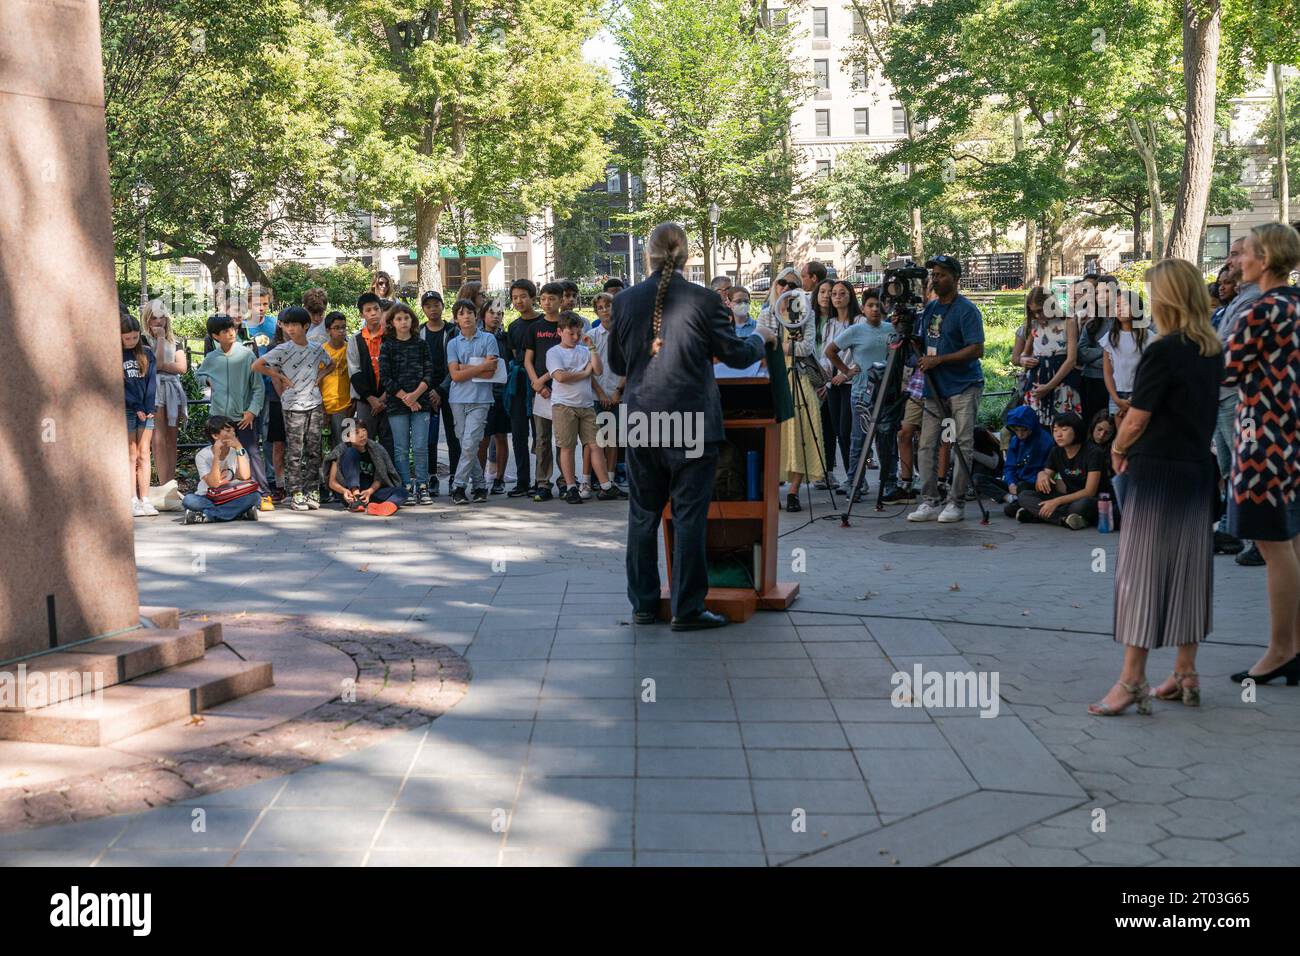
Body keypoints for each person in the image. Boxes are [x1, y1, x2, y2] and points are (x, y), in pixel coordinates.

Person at [608, 221, 775, 631]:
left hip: (641, 419)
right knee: (688, 517)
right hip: (693, 420)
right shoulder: (704, 300)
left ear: (648, 255)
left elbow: (615, 364)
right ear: (686, 256)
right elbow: (736, 355)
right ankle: (687, 608)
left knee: (643, 516)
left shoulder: (625, 301)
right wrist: (763, 338)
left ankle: (644, 605)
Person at [1093, 258, 1223, 716]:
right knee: (1189, 571)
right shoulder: (1211, 348)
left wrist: (1118, 448)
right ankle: (1186, 672)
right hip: (1196, 471)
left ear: (1167, 298)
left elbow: (1139, 415)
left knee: (1141, 575)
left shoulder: (1164, 350)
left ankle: (1132, 680)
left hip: (1156, 471)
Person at [1222, 222, 1300, 686]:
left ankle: (1280, 650)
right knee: (1290, 541)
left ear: (1266, 259)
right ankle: (1293, 647)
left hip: (1265, 440)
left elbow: (1223, 371)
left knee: (1274, 544)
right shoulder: (1294, 305)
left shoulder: (1263, 309)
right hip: (1291, 434)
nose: (1238, 260)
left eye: (1245, 253)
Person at [907, 255, 985, 524]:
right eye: (933, 275)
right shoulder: (930, 309)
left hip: (963, 387)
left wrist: (939, 360)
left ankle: (956, 501)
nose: (935, 279)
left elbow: (977, 349)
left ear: (955, 278)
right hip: (934, 388)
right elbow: (924, 339)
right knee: (926, 443)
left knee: (961, 444)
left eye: (940, 275)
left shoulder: (967, 310)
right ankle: (929, 500)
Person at [252, 304, 333, 511]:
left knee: (314, 449)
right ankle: (296, 492)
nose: (290, 329)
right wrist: (279, 376)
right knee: (295, 451)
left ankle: (313, 490)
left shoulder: (316, 348)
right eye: (286, 324)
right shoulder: (281, 349)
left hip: (314, 403)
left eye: (294, 324)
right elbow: (257, 365)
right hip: (292, 405)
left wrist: (320, 377)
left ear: (305, 326)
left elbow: (330, 364)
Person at [1213, 237, 1263, 563]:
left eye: (1235, 254)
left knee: (1244, 467)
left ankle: (1257, 536)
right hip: (1223, 394)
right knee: (1229, 466)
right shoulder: (1239, 299)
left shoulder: (1255, 300)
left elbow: (1229, 346)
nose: (1228, 262)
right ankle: (1233, 528)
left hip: (1239, 395)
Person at [761, 267, 824, 511]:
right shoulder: (767, 314)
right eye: (782, 283)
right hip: (776, 378)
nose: (786, 288)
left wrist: (779, 344)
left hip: (801, 377)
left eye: (793, 285)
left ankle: (795, 491)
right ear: (775, 286)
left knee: (801, 431)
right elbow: (762, 345)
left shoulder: (806, 315)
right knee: (776, 435)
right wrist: (786, 345)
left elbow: (807, 347)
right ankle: (773, 490)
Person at [826, 286, 897, 502]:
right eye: (870, 305)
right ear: (863, 309)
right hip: (861, 394)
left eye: (878, 305)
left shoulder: (890, 330)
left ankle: (890, 483)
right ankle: (854, 483)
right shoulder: (856, 330)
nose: (875, 309)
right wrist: (846, 371)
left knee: (887, 440)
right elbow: (830, 350)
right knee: (859, 441)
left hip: (887, 393)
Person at [195, 313, 271, 507]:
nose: (231, 333)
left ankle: (263, 493)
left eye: (233, 329)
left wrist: (252, 411)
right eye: (225, 330)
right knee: (220, 455)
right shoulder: (211, 358)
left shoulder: (247, 355)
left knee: (251, 453)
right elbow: (198, 375)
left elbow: (258, 387)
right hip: (219, 419)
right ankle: (223, 493)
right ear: (215, 336)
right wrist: (206, 380)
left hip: (243, 417)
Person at [549, 311, 620, 503]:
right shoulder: (554, 352)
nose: (575, 337)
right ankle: (571, 486)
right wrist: (583, 373)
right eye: (570, 333)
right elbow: (561, 377)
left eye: (578, 334)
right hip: (564, 406)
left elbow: (597, 370)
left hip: (586, 405)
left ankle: (606, 485)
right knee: (567, 447)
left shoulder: (583, 350)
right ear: (559, 332)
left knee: (596, 445)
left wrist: (592, 349)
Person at [446, 297, 501, 504]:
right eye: (461, 314)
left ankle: (458, 486)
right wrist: (479, 367)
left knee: (470, 444)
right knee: (466, 444)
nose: (466, 316)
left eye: (469, 312)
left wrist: (464, 367)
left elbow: (490, 373)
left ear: (475, 315)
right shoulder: (452, 343)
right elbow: (455, 376)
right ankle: (479, 485)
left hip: (481, 399)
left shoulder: (488, 339)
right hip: (457, 399)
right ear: (456, 319)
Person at [379, 301, 434, 504]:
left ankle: (422, 485)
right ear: (392, 322)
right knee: (401, 447)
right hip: (397, 405)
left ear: (412, 321)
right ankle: (405, 487)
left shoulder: (421, 344)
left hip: (421, 403)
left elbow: (429, 373)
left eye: (406, 318)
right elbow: (385, 378)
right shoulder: (388, 346)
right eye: (399, 318)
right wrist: (405, 397)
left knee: (420, 446)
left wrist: (415, 396)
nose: (403, 322)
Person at [1011, 412, 1102, 529]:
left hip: (1088, 499)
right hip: (1067, 498)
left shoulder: (1093, 452)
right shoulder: (1056, 451)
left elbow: (1090, 491)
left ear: (1077, 430)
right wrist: (1041, 475)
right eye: (1055, 430)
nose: (1058, 435)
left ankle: (1037, 514)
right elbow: (1045, 478)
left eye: (1064, 430)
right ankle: (1063, 519)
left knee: (1082, 506)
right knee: (1024, 495)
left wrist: (1056, 502)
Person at [141, 297, 187, 486]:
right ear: (147, 319)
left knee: (171, 438)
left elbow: (182, 367)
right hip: (154, 390)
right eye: (153, 318)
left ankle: (171, 484)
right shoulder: (143, 340)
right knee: (158, 439)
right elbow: (156, 364)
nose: (158, 322)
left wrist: (163, 367)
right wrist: (159, 340)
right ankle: (162, 484)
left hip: (173, 390)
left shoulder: (176, 341)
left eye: (161, 317)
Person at [1019, 286, 1081, 426]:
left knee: (1063, 425)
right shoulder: (1034, 324)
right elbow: (1024, 353)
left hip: (1061, 379)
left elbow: (1071, 360)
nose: (1036, 315)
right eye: (1033, 312)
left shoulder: (1068, 322)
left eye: (1040, 310)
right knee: (1035, 425)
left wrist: (1049, 386)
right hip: (1037, 379)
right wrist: (1024, 360)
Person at [524, 282, 564, 500]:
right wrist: (536, 384)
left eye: (552, 299)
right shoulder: (535, 328)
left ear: (561, 300)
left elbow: (568, 357)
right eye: (544, 299)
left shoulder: (566, 325)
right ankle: (543, 482)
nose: (547, 303)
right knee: (541, 439)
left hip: (562, 389)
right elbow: (528, 360)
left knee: (563, 439)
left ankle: (566, 481)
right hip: (540, 392)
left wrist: (544, 380)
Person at [585, 292, 627, 498]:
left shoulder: (623, 333)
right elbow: (587, 369)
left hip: (617, 393)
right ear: (596, 312)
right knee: (595, 440)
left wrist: (618, 391)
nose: (604, 310)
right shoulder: (591, 336)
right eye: (600, 308)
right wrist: (600, 393)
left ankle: (610, 481)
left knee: (613, 439)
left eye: (608, 306)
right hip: (595, 395)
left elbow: (628, 366)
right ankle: (592, 481)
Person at [182, 416, 262, 523]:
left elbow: (245, 476)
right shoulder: (202, 455)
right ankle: (238, 513)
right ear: (215, 435)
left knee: (255, 497)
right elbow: (214, 484)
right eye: (228, 430)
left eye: (233, 430)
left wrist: (239, 447)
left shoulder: (239, 451)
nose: (233, 433)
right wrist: (216, 456)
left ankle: (207, 516)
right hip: (207, 497)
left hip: (232, 496)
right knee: (189, 500)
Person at [322, 419, 407, 516]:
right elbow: (332, 482)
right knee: (351, 452)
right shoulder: (340, 451)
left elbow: (380, 476)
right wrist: (344, 491)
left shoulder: (376, 449)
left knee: (401, 491)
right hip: (350, 496)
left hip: (369, 492)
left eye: (364, 430)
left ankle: (386, 507)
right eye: (356, 433)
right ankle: (357, 499)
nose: (362, 435)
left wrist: (370, 491)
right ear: (347, 437)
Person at [417, 290, 456, 497]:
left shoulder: (452, 331)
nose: (433, 309)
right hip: (426, 392)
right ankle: (431, 476)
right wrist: (429, 389)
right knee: (429, 437)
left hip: (449, 389)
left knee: (453, 435)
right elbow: (419, 363)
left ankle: (454, 477)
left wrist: (441, 389)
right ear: (423, 309)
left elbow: (456, 362)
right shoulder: (420, 332)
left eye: (436, 304)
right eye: (428, 305)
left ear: (442, 306)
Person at [505, 279, 541, 496]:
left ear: (533, 298)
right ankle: (522, 481)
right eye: (515, 297)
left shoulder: (544, 323)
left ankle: (541, 480)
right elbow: (511, 356)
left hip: (540, 386)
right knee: (518, 434)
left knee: (540, 436)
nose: (519, 301)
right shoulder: (514, 326)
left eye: (523, 296)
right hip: (518, 386)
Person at [347, 291, 394, 457]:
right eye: (368, 310)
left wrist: (383, 398)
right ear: (362, 314)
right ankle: (367, 476)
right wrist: (371, 399)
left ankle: (389, 478)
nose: (373, 313)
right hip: (366, 401)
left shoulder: (391, 337)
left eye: (376, 308)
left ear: (381, 310)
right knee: (364, 439)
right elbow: (354, 371)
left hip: (389, 397)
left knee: (389, 439)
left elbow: (396, 369)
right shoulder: (355, 340)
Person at [122, 310, 158, 517]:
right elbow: (122, 385)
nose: (131, 341)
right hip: (128, 408)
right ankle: (131, 499)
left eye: (134, 337)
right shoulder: (116, 355)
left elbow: (152, 381)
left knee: (145, 454)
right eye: (127, 338)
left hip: (146, 409)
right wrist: (136, 406)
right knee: (131, 454)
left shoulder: (146, 353)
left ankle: (145, 499)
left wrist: (149, 406)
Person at [476, 298, 512, 494]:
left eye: (499, 313)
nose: (496, 316)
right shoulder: (477, 338)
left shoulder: (505, 338)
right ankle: (480, 479)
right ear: (483, 315)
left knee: (501, 437)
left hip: (502, 395)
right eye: (492, 312)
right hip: (482, 394)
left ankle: (499, 478)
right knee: (483, 438)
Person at [318, 311, 353, 500]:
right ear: (328, 330)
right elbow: (316, 381)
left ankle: (344, 487)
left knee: (345, 448)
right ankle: (326, 487)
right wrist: (321, 408)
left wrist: (353, 403)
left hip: (346, 406)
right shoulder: (321, 351)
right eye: (336, 328)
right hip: (325, 406)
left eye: (343, 327)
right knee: (326, 450)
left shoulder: (350, 349)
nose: (340, 331)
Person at [990, 404, 1054, 507]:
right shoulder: (1015, 440)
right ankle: (1011, 499)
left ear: (1032, 426)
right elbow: (1009, 466)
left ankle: (1018, 502)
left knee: (1020, 492)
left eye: (1024, 430)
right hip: (1016, 482)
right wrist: (1011, 483)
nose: (1020, 434)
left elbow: (1047, 469)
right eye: (1016, 430)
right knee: (977, 479)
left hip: (1033, 484)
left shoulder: (1046, 441)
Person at [1102, 290, 1153, 417]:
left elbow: (1151, 371)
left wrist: (1136, 396)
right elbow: (1108, 372)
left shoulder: (1148, 337)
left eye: (1124, 305)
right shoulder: (1111, 337)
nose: (1119, 309)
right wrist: (1116, 399)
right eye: (1117, 306)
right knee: (1121, 433)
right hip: (1117, 395)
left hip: (1141, 393)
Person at [1075, 275, 1117, 425]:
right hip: (1092, 380)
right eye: (1098, 292)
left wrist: (1097, 354)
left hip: (1117, 382)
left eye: (1106, 291)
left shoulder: (1123, 321)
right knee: (1092, 423)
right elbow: (1081, 353)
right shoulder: (1092, 324)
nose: (1102, 296)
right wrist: (1105, 351)